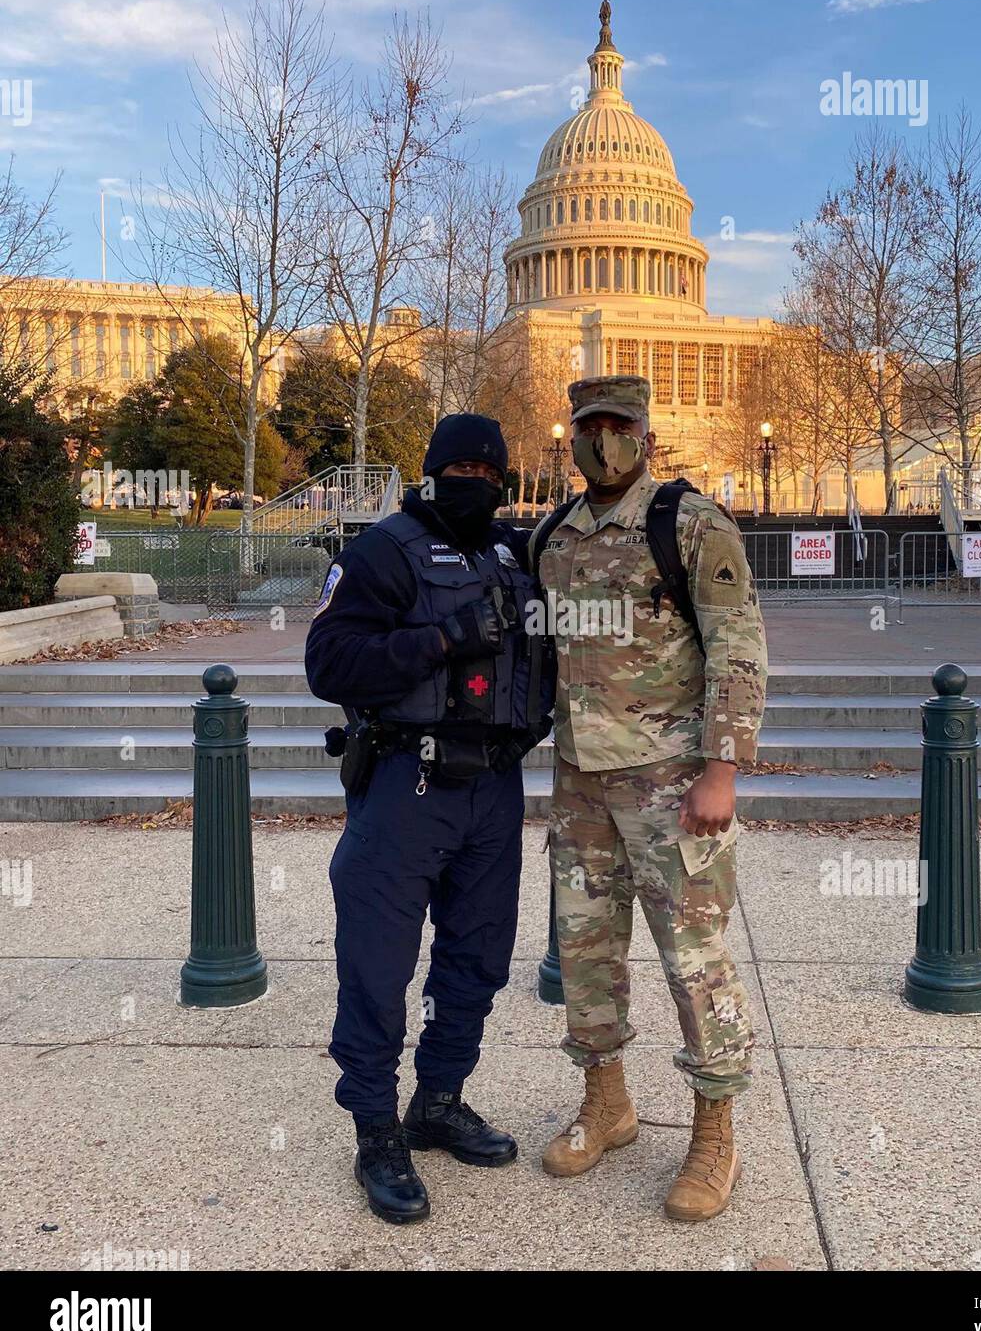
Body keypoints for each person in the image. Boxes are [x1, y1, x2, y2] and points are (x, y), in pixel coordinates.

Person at [529, 376, 768, 1222]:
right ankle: (607, 1103)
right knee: (585, 956)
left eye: (616, 426)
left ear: (644, 433)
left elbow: (737, 645)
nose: (601, 441)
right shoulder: (553, 535)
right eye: (586, 427)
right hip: (579, 783)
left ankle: (714, 1131)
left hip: (672, 783)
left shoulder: (689, 522)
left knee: (695, 962)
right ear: (571, 437)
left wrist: (722, 769)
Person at [306, 413, 552, 1226]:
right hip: (406, 784)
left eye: (490, 470)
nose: (476, 480)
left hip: (494, 789)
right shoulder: (381, 550)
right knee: (377, 968)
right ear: (432, 470)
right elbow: (328, 663)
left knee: (477, 960)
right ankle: (376, 1131)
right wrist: (440, 639)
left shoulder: (517, 554)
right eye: (462, 468)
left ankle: (439, 1100)